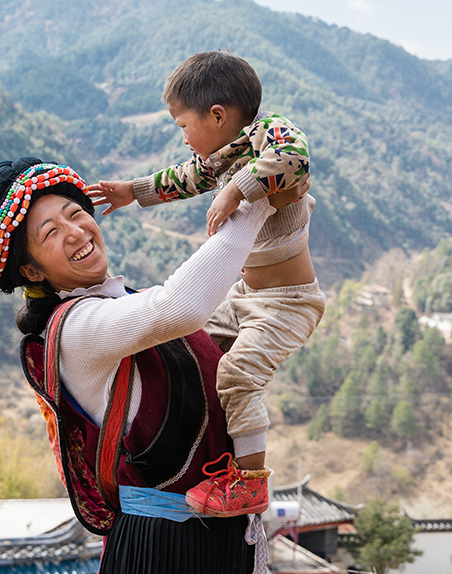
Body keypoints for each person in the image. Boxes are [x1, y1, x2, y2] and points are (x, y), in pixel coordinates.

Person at [0, 156, 308, 573]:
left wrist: (286, 209)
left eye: (76, 214)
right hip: (160, 548)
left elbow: (224, 325)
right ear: (31, 269)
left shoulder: (127, 307)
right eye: (51, 232)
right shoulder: (75, 331)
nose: (75, 232)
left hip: (221, 539)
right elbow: (182, 306)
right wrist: (256, 197)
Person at [86, 51, 326, 518]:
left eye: (182, 125)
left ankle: (250, 482)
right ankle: (206, 453)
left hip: (286, 304)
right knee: (194, 352)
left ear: (217, 115)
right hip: (246, 298)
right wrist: (133, 192)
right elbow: (187, 178)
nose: (183, 138)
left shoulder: (271, 133)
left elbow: (293, 158)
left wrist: (237, 190)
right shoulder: (227, 153)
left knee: (238, 374)